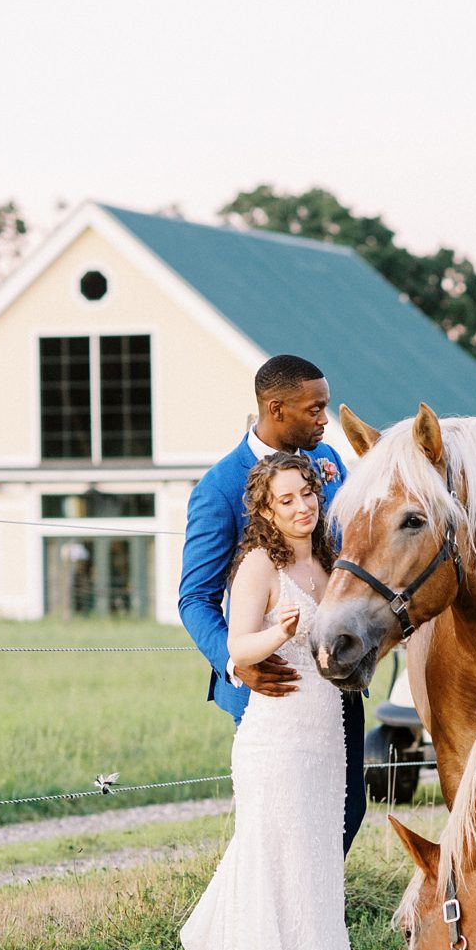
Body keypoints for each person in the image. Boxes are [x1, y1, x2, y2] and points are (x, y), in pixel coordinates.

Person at [173, 451, 382, 950]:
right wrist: (280, 633)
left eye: (308, 494)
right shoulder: (259, 566)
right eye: (286, 499)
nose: (302, 506)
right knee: (272, 855)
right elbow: (238, 647)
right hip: (276, 736)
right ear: (265, 508)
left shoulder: (333, 562)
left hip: (326, 735)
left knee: (314, 862)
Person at [178, 354, 366, 853]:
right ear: (277, 409)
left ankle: (319, 921)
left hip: (337, 677)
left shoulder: (331, 464)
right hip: (274, 686)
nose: (325, 420)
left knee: (347, 811)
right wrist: (239, 663)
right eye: (315, 410)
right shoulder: (219, 488)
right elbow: (194, 599)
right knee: (286, 821)